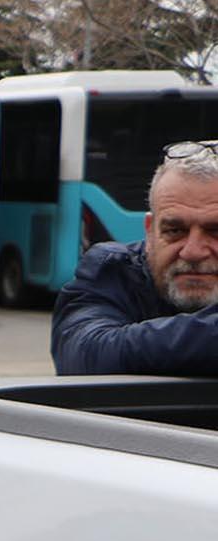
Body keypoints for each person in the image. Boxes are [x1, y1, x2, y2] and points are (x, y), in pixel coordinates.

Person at [51, 139, 218, 373]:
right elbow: (84, 354)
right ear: (149, 231)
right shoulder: (112, 271)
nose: (192, 251)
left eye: (215, 232)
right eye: (174, 231)